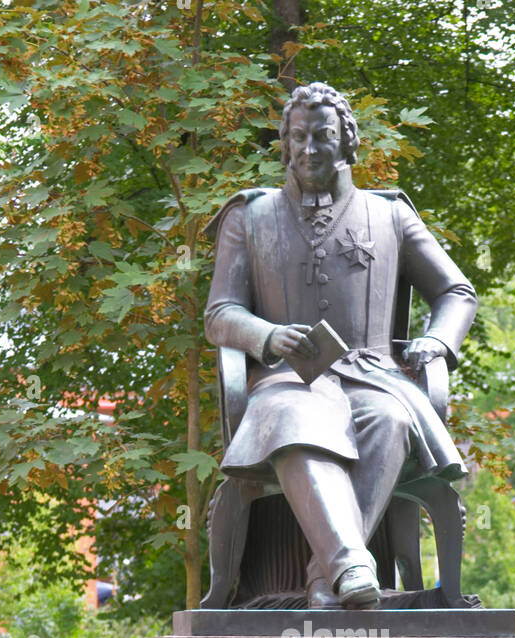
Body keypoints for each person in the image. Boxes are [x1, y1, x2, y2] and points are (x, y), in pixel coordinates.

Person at [204, 81, 477, 609]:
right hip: (288, 378)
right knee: (293, 418)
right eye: (299, 138)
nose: (309, 150)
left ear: (347, 142)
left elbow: (456, 291)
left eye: (323, 137)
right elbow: (220, 314)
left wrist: (437, 341)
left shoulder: (391, 213)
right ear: (285, 143)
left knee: (391, 420)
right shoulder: (249, 216)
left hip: (374, 375)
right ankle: (350, 565)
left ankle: (326, 580)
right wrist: (266, 336)